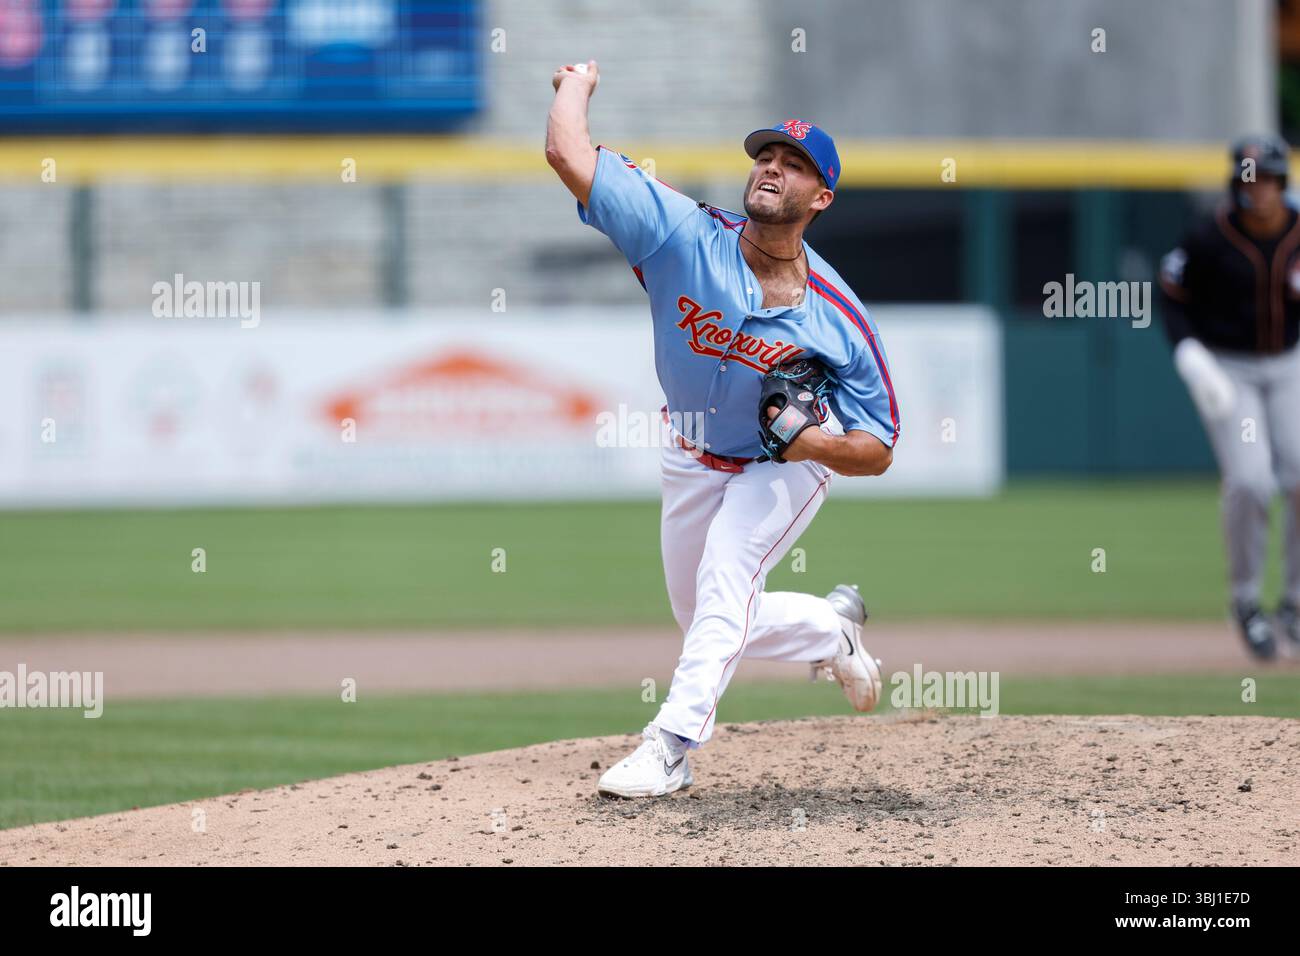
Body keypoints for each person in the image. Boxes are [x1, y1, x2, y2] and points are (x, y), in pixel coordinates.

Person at [547, 61, 900, 797]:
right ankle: (832, 631)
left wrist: (812, 446)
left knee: (724, 582)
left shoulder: (838, 315)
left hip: (784, 468)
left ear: (821, 197)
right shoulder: (682, 234)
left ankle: (669, 746)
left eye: (794, 163)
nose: (772, 166)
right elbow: (568, 156)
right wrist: (574, 86)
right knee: (705, 614)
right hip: (690, 453)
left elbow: (879, 446)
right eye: (766, 155)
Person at [1159, 134, 1300, 660]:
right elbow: (1172, 298)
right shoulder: (1209, 238)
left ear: (1282, 183)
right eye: (1250, 179)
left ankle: (1294, 605)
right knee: (1251, 479)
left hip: (1288, 363)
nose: (1259, 189)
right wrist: (1191, 356)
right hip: (1229, 366)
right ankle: (1246, 602)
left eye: (1268, 178)